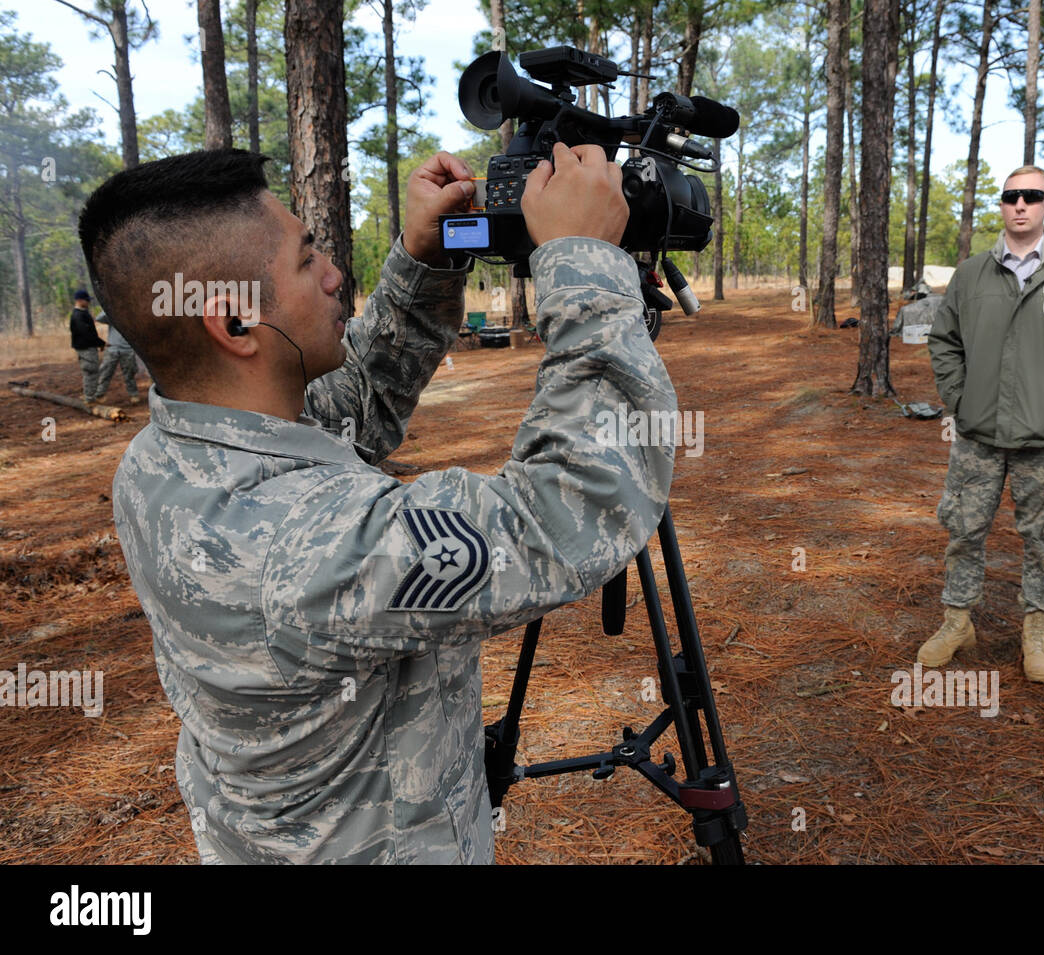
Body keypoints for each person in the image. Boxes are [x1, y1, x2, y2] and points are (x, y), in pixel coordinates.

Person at [78, 145, 676, 863]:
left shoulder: (163, 456)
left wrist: (424, 260)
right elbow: (574, 502)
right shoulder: (299, 544)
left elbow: (348, 408)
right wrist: (583, 266)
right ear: (233, 323)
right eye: (307, 260)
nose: (335, 273)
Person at [922, 165, 1044, 682]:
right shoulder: (971, 274)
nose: (1021, 204)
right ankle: (957, 621)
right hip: (977, 434)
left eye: (1033, 196)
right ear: (1002, 205)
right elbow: (944, 341)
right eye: (1012, 196)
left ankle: (1037, 630)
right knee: (963, 531)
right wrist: (961, 398)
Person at [93, 311, 142, 404]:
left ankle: (134, 395)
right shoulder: (113, 315)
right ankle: (99, 394)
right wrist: (111, 307)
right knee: (105, 373)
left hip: (127, 350)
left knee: (129, 374)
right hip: (113, 349)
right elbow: (99, 318)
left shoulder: (132, 317)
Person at [68, 289, 105, 404]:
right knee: (91, 371)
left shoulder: (82, 313)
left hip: (87, 346)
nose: (88, 302)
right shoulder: (78, 315)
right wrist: (100, 343)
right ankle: (90, 398)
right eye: (86, 300)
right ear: (79, 300)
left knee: (88, 372)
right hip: (86, 348)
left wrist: (100, 342)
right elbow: (86, 333)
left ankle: (88, 395)